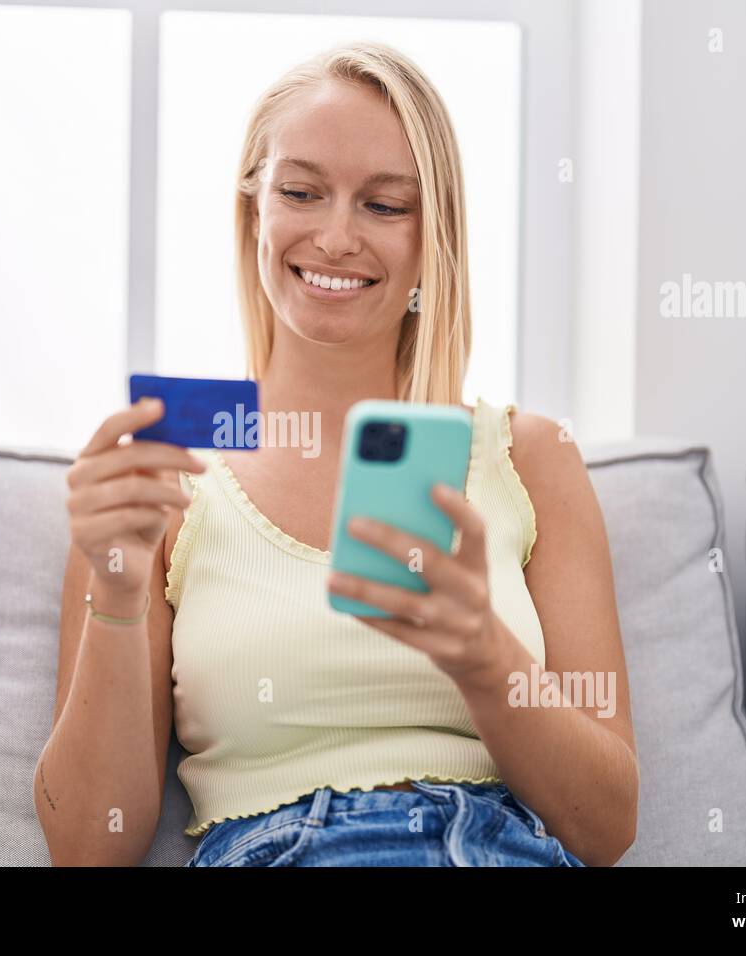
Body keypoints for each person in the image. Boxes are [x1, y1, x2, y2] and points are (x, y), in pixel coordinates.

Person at [36, 40, 637, 867]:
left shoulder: (528, 458)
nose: (336, 237)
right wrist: (115, 594)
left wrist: (483, 656)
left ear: (434, 239)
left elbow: (606, 829)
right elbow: (86, 846)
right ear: (255, 212)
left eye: (385, 206)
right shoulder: (164, 472)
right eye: (301, 192)